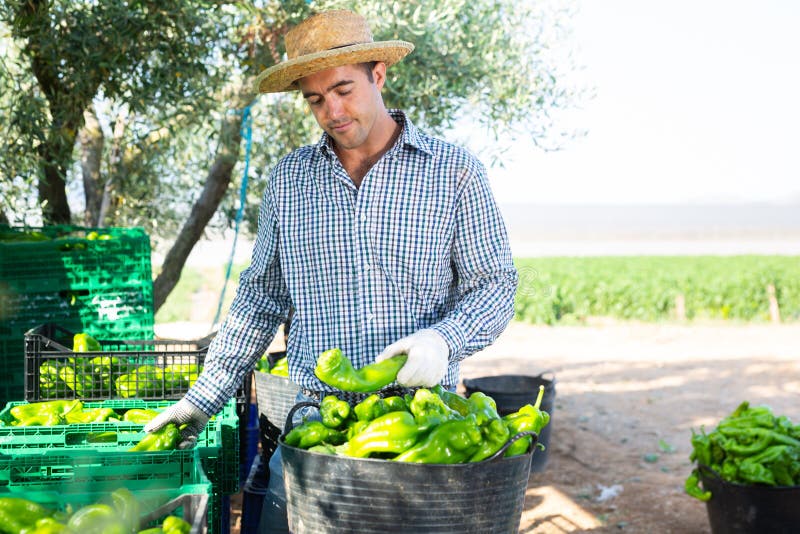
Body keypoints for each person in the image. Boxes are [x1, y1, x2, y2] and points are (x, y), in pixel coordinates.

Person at [145, 8, 518, 531]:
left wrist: (444, 340)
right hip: (313, 431)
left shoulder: (454, 173)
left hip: (421, 433)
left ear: (378, 74)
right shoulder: (290, 181)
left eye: (344, 89)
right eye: (315, 99)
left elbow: (496, 287)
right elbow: (260, 298)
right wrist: (202, 399)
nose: (332, 111)